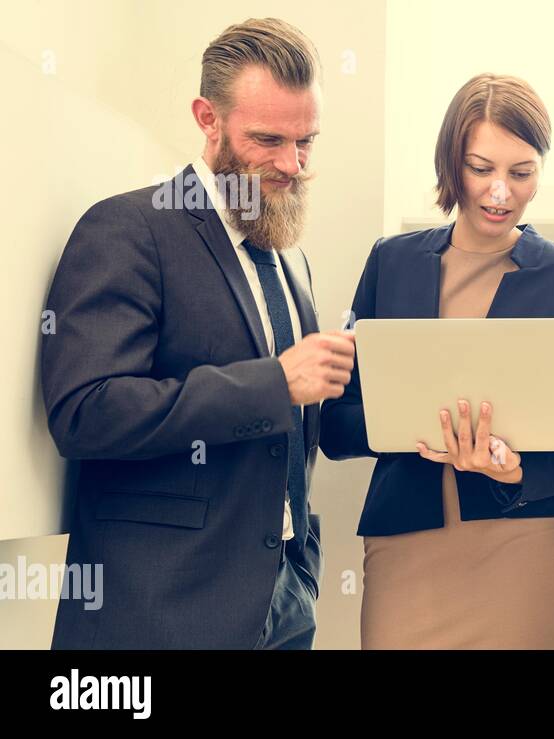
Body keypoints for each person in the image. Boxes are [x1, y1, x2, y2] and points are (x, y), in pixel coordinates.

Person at [40, 18, 346, 648]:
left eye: (307, 141)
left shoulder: (290, 258)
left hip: (286, 598)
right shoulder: (128, 229)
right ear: (208, 118)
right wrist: (273, 383)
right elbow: (84, 412)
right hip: (162, 612)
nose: (293, 165)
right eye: (269, 140)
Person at [319, 74, 554, 649]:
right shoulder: (392, 262)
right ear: (451, 163)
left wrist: (516, 469)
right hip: (405, 554)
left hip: (526, 556)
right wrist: (413, 424)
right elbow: (334, 425)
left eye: (521, 173)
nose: (500, 192)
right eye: (481, 169)